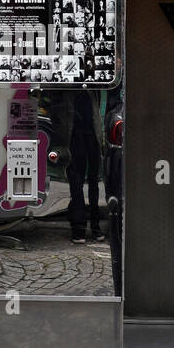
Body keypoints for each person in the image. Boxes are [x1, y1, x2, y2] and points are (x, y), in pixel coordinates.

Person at [66, 88, 104, 244]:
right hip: (76, 134)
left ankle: (85, 227)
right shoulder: (87, 89)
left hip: (87, 134)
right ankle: (83, 227)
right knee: (80, 182)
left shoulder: (91, 88)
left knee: (85, 181)